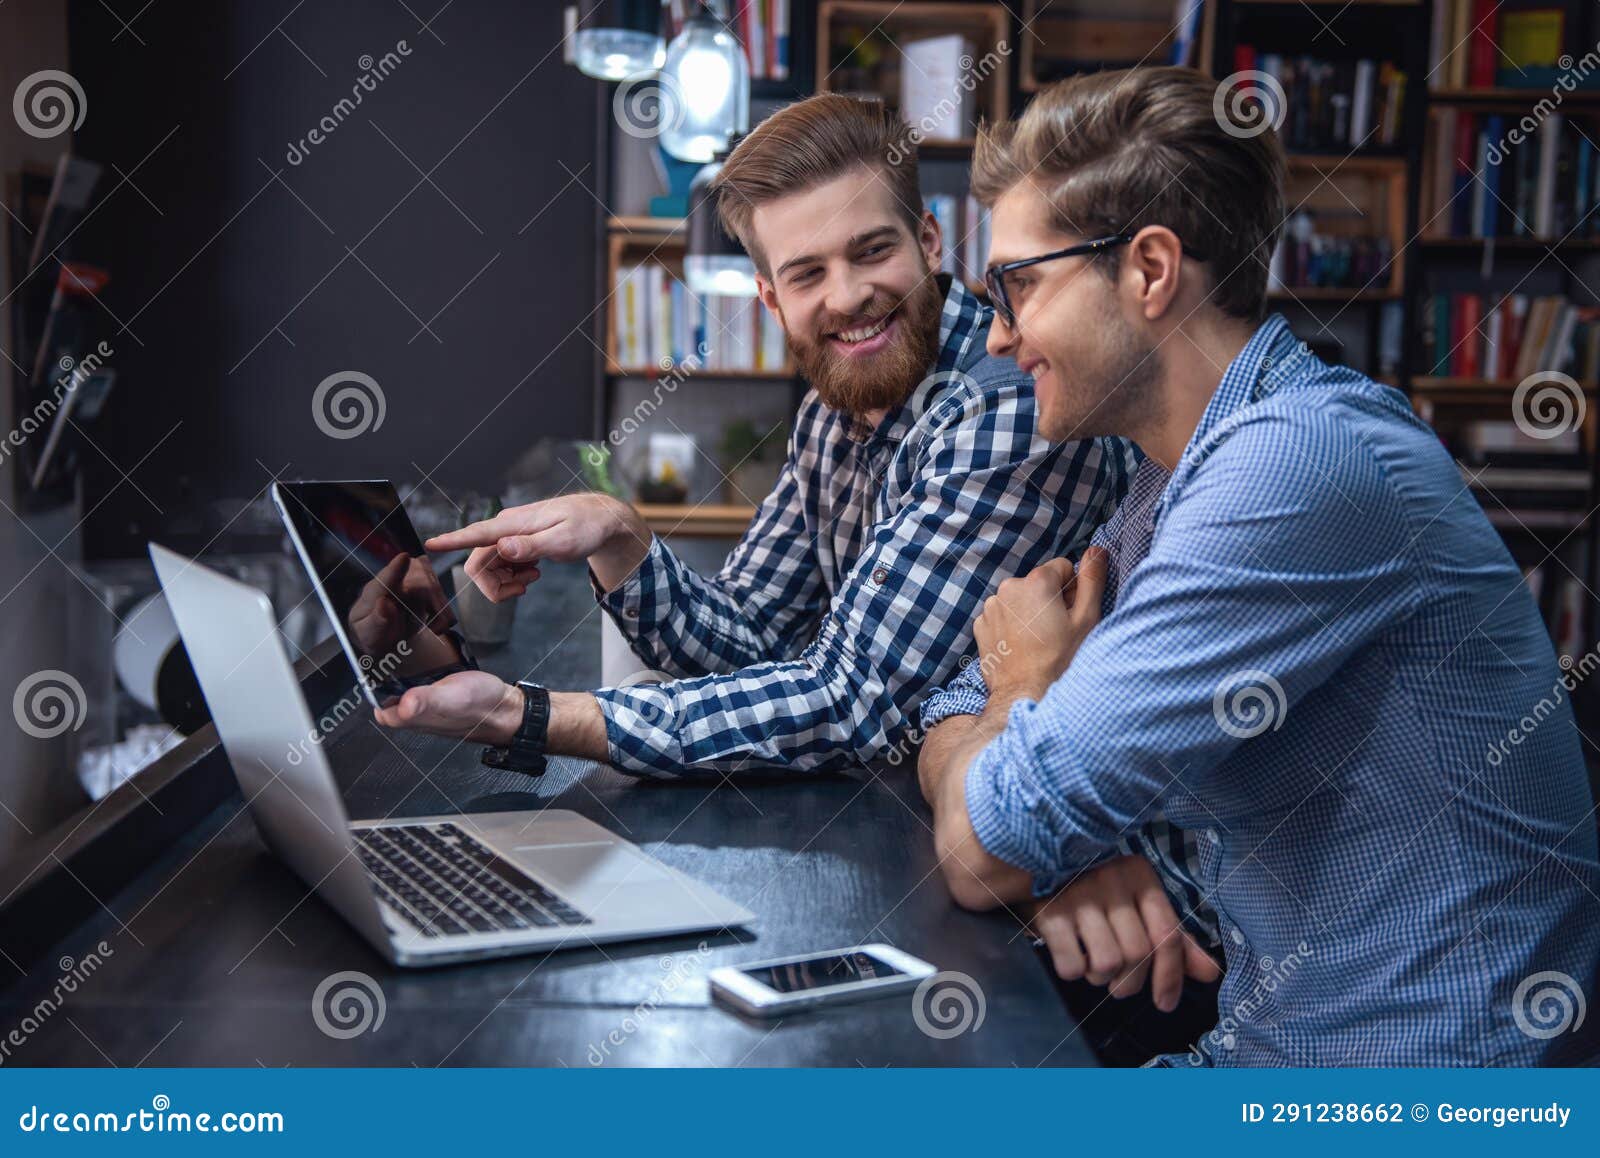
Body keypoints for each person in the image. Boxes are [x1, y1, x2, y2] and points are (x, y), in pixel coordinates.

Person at [917, 66, 1600, 1066]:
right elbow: (948, 708)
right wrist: (1048, 807)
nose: (996, 334)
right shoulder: (1176, 480)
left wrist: (1022, 690)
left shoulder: (1292, 466)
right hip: (1265, 1057)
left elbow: (982, 843)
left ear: (1149, 271)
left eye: (1018, 284)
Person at [374, 93, 1131, 778]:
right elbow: (749, 632)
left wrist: (528, 714)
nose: (848, 296)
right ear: (770, 299)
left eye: (872, 251)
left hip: (1046, 857)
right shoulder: (831, 417)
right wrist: (618, 537)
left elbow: (850, 702)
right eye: (806, 274)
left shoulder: (1006, 405)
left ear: (929, 242)